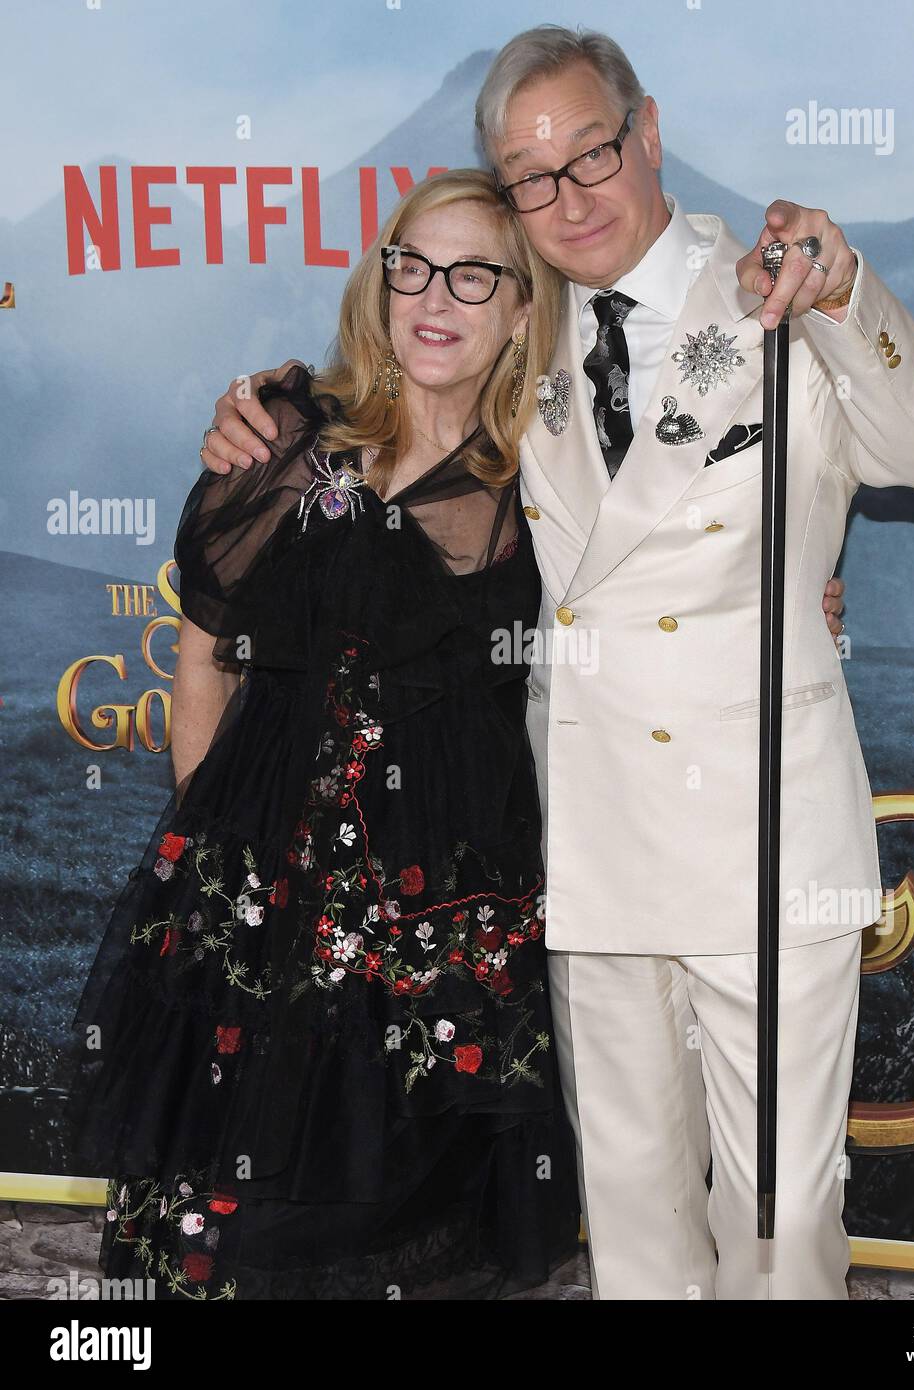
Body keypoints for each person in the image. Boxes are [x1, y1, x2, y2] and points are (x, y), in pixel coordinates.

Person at [198, 26, 914, 1303]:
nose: (570, 198)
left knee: (780, 1237)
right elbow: (396, 401)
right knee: (634, 1227)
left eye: (591, 153)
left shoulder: (775, 287)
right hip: (593, 856)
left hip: (761, 850)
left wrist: (846, 292)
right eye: (530, 178)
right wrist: (262, 419)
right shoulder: (523, 333)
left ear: (646, 133)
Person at [67, 167, 584, 1300]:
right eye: (412, 264)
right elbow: (204, 643)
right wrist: (218, 851)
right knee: (236, 1207)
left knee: (403, 1193)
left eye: (470, 274)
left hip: (447, 915)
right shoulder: (294, 440)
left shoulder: (551, 480)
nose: (432, 295)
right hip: (262, 888)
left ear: (519, 310)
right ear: (381, 281)